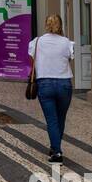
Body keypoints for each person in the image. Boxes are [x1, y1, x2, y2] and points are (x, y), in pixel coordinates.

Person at [28, 15, 75, 163]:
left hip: (45, 83)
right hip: (64, 84)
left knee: (52, 120)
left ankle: (56, 151)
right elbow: (69, 57)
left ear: (46, 25)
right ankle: (55, 147)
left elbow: (32, 58)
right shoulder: (67, 42)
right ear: (60, 25)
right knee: (60, 118)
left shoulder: (37, 42)